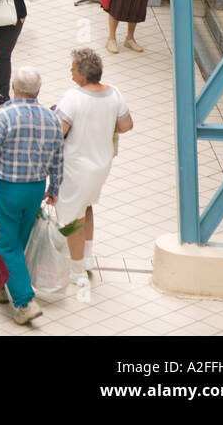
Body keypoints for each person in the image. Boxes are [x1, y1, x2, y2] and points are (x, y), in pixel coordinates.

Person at [0, 66, 64, 324]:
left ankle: (24, 300)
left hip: (7, 188)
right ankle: (3, 288)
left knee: (6, 244)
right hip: (36, 188)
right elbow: (58, 158)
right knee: (20, 241)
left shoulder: (3, 117)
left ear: (14, 89)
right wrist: (54, 188)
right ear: (38, 91)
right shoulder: (52, 118)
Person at [56, 48, 134, 286]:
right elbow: (126, 125)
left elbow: (59, 131)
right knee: (87, 207)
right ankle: (87, 258)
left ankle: (77, 271)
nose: (70, 72)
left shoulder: (73, 98)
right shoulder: (114, 93)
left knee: (71, 219)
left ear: (82, 73)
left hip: (75, 168)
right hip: (101, 165)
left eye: (72, 68)